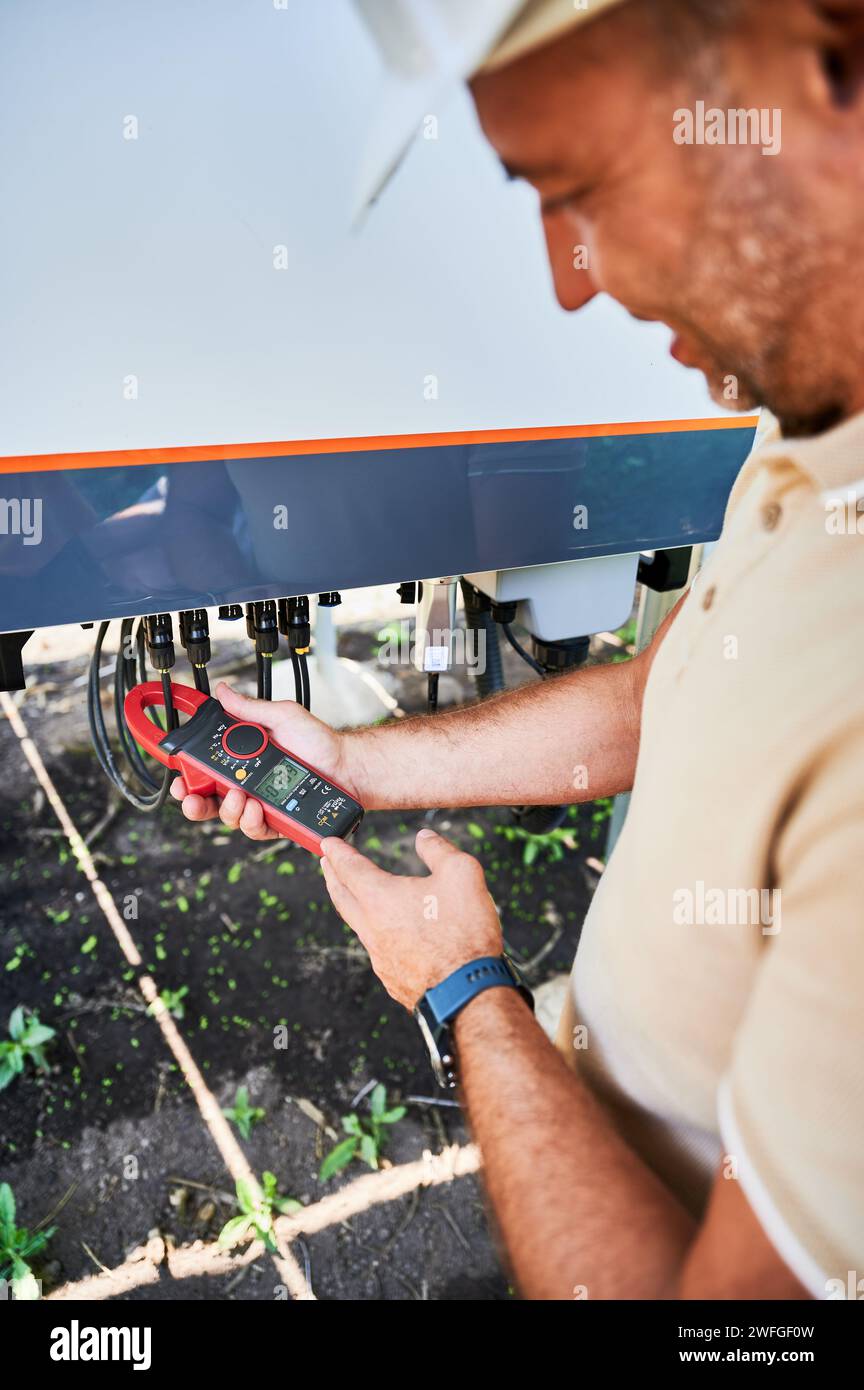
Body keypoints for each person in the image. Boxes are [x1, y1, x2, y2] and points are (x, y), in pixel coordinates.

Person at [173, 0, 864, 1299]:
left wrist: (470, 992)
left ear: (822, 56)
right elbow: (665, 697)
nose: (568, 275)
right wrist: (353, 763)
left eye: (578, 186)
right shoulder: (818, 418)